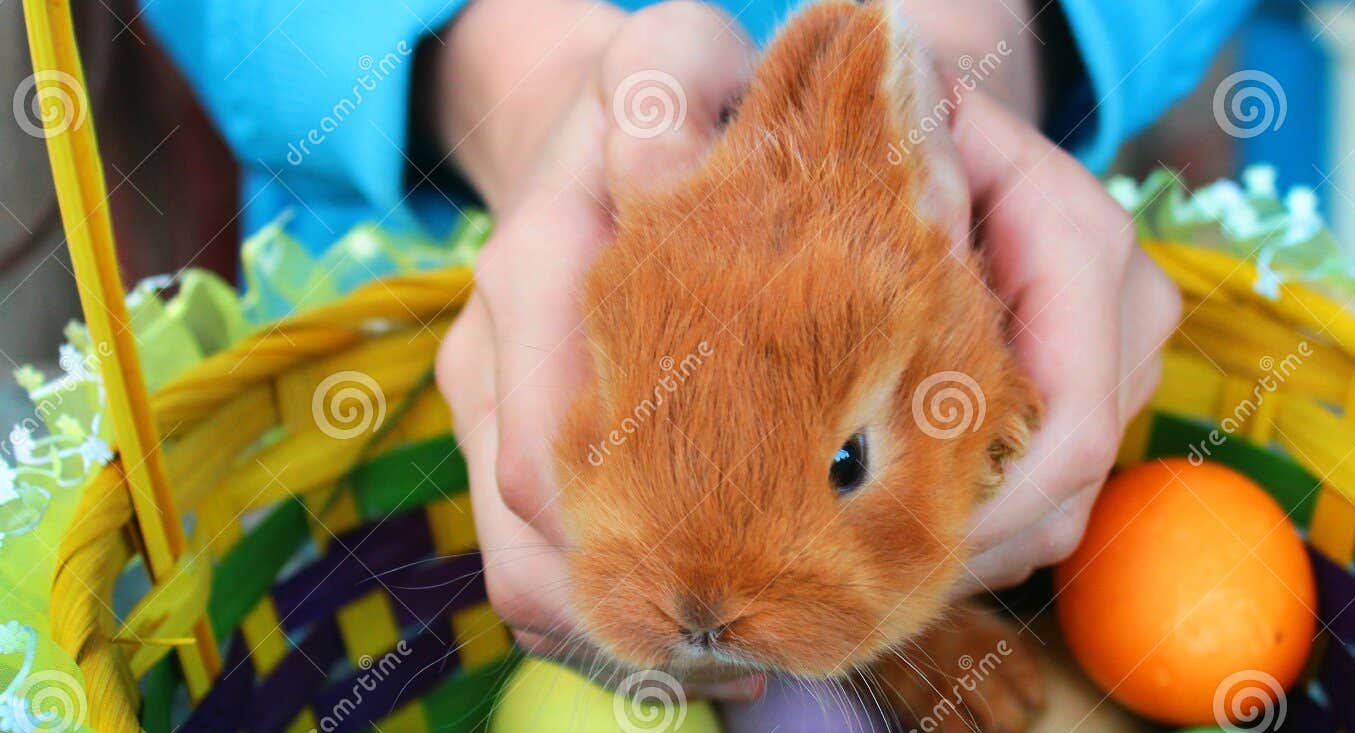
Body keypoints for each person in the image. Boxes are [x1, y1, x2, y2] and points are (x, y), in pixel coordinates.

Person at [144, 0, 1255, 694]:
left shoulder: (947, 343)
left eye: (844, 465)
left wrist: (976, 52)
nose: (714, 606)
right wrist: (524, 86)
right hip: (408, 283)